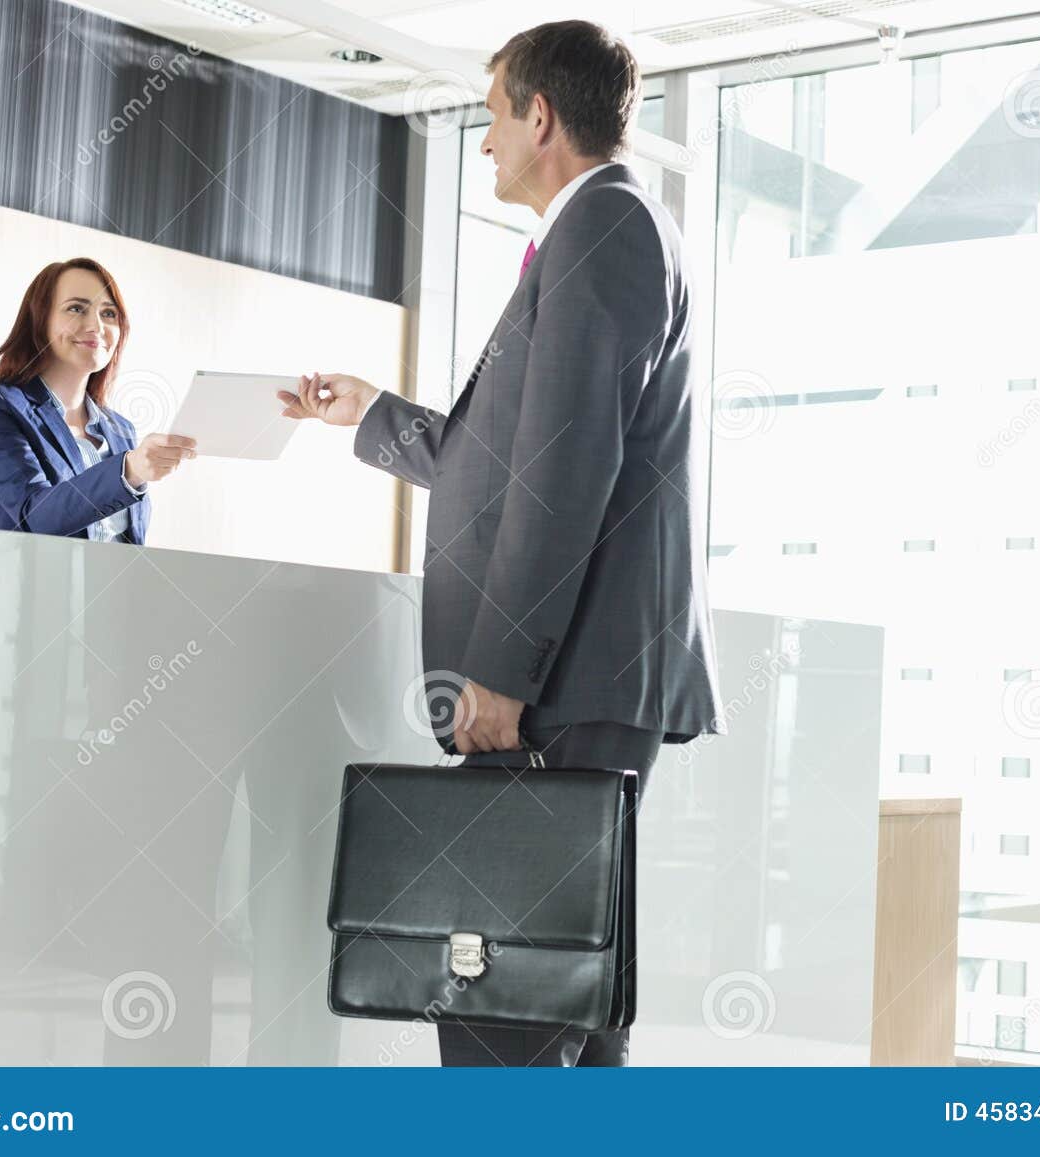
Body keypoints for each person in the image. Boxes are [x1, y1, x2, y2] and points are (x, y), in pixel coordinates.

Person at [280, 19, 722, 1067]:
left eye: (488, 116)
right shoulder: (606, 231)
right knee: (564, 985)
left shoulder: (603, 229)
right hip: (582, 671)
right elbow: (518, 457)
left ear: (538, 115)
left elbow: (568, 472)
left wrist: (500, 670)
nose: (482, 143)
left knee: (498, 1002)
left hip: (563, 675)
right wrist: (375, 414)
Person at [0, 258, 195, 543]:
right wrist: (129, 470)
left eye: (108, 313)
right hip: (34, 586)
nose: (96, 325)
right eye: (76, 308)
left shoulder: (120, 428)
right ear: (40, 319)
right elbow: (36, 517)